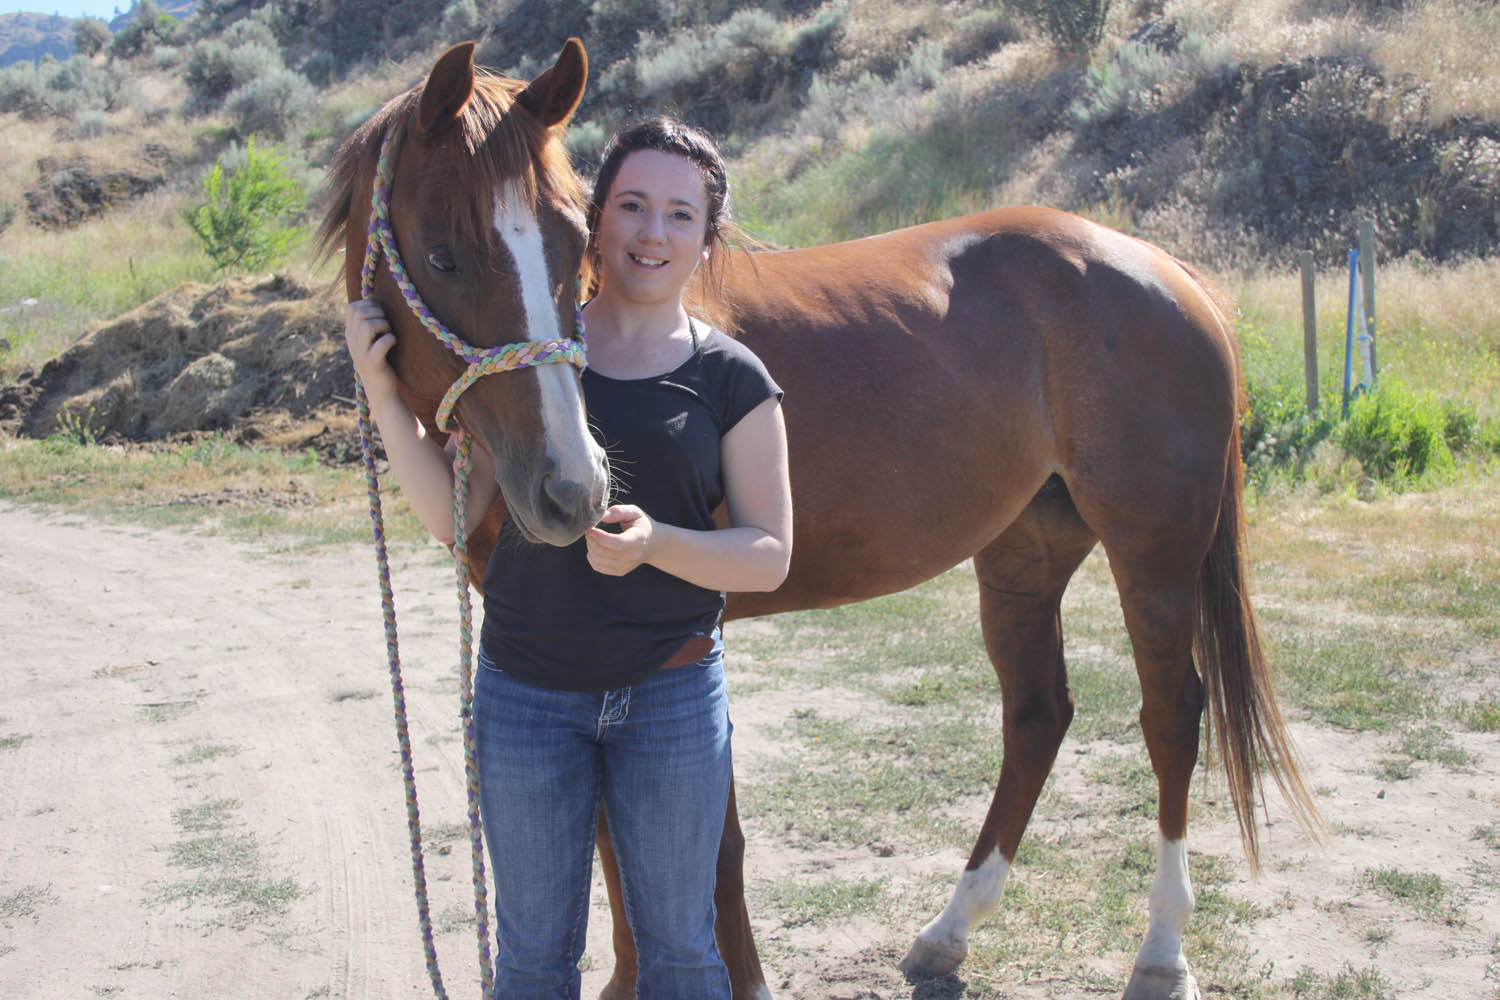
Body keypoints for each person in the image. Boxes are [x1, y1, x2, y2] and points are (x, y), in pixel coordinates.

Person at [343, 115, 792, 1000]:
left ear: (707, 239)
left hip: (670, 694)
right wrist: (384, 394)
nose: (652, 233)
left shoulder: (733, 377)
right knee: (534, 961)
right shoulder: (527, 353)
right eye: (631, 205)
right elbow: (451, 514)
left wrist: (659, 544)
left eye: (680, 215)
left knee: (682, 952)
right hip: (526, 701)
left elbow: (769, 554)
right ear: (593, 220)